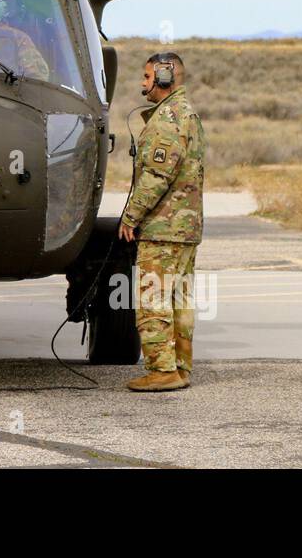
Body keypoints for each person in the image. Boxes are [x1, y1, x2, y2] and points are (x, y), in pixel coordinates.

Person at [119, 52, 206, 392]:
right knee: (179, 300)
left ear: (165, 76)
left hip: (164, 229)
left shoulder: (168, 118)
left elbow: (157, 175)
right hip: (184, 230)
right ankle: (180, 367)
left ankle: (162, 370)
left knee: (152, 298)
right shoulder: (188, 114)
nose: (143, 84)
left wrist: (132, 215)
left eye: (147, 77)